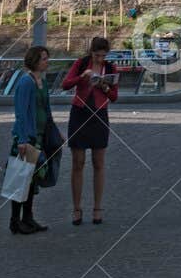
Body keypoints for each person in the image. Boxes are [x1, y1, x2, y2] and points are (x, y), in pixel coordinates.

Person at [62, 36, 118, 226]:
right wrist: (82, 77)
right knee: (78, 162)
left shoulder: (110, 69)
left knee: (98, 162)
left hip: (99, 114)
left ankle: (97, 207)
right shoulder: (80, 64)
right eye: (96, 55)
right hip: (80, 113)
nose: (99, 59)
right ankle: (77, 208)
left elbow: (115, 96)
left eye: (103, 56)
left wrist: (104, 86)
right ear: (91, 52)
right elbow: (65, 84)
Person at [7, 46, 52, 235]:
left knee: (32, 179)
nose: (47, 61)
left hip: (39, 136)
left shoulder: (42, 81)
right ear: (34, 61)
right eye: (43, 59)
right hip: (27, 137)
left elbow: (46, 109)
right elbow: (21, 112)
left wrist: (53, 132)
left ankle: (28, 217)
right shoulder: (26, 82)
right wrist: (23, 139)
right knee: (20, 179)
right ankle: (15, 221)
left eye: (47, 58)